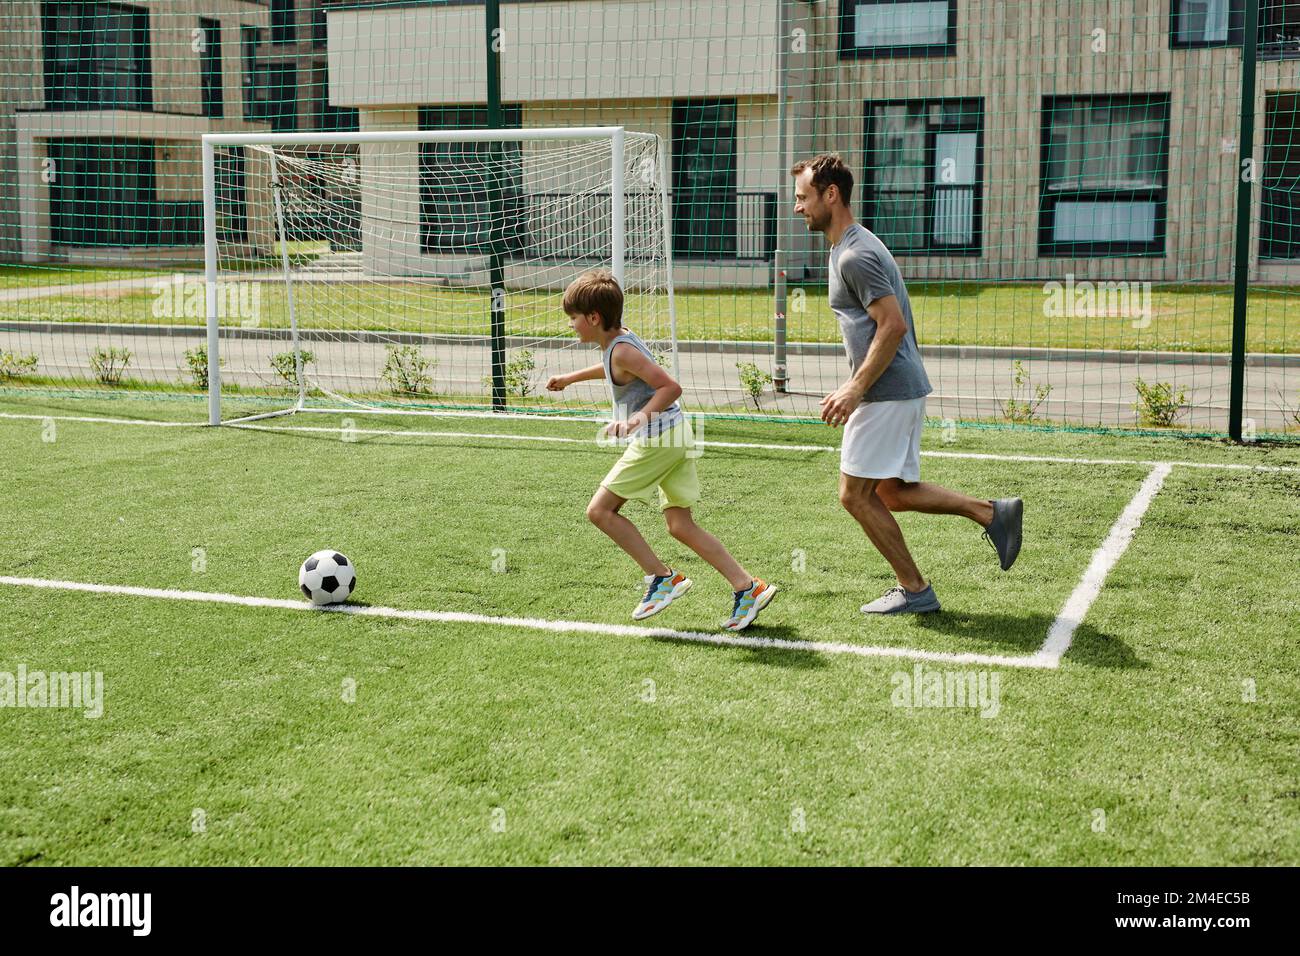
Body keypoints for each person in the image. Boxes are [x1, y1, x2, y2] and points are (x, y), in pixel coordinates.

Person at [791, 153, 1023, 615]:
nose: (798, 208)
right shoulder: (845, 248)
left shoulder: (856, 254)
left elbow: (891, 326)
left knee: (854, 496)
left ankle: (915, 590)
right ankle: (992, 513)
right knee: (891, 492)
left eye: (803, 197)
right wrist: (854, 382)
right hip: (894, 389)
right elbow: (871, 328)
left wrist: (856, 390)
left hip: (887, 393)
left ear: (830, 194)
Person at [547, 269, 777, 631]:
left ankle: (662, 577)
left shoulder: (621, 350)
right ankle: (748, 586)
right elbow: (612, 369)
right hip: (676, 435)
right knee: (679, 524)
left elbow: (670, 387)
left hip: (658, 440)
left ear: (593, 318)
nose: (571, 325)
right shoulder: (618, 343)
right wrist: (570, 378)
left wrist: (634, 421)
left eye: (573, 318)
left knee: (600, 511)